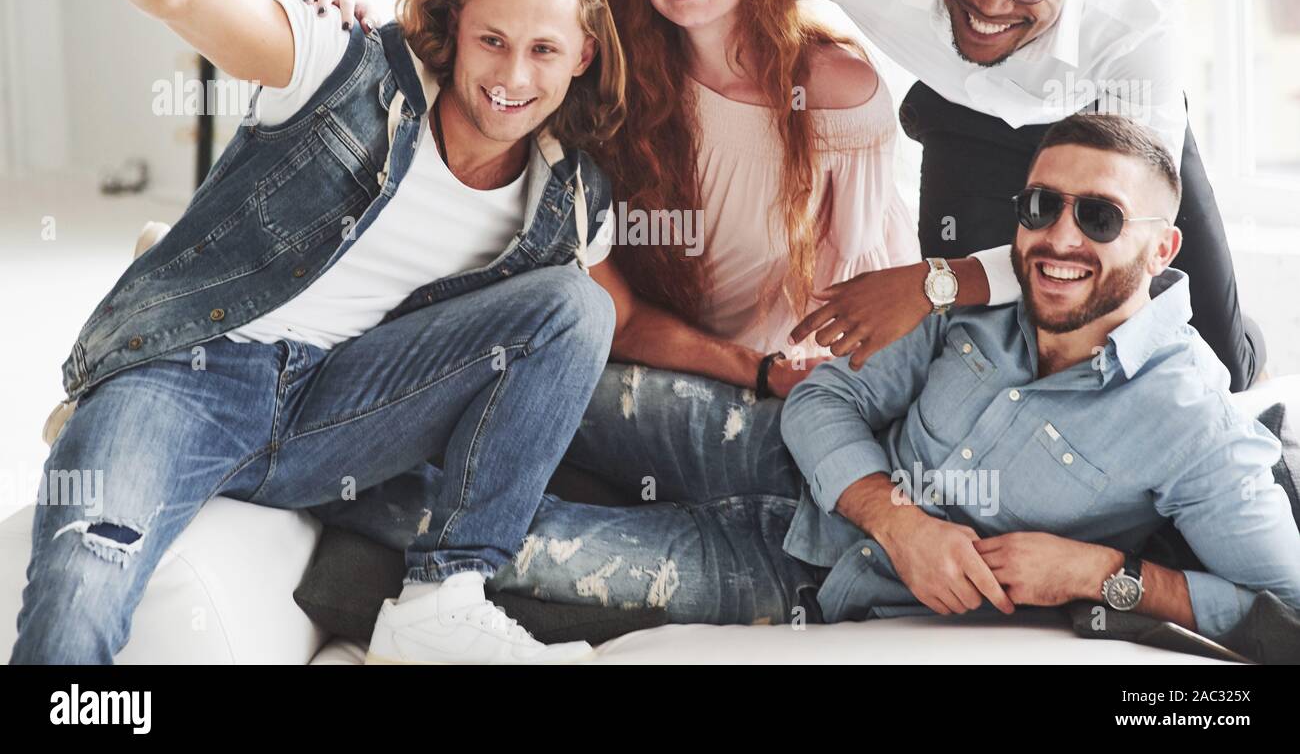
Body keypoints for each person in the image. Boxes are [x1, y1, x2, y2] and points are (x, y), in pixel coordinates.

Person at [13, 0, 625, 665]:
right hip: (192, 377)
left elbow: (574, 341)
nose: (512, 74)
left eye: (544, 49)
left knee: (575, 306)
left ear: (583, 54)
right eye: (493, 40)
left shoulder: (574, 201)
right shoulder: (343, 66)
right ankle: (128, 367)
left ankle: (444, 593)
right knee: (81, 585)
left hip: (342, 412)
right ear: (455, 25)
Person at [484, 114, 1300, 642]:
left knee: (506, 545)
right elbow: (825, 395)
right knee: (539, 388)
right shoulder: (980, 298)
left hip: (804, 573)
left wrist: (1100, 575)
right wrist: (899, 518)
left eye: (1100, 216)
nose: (1058, 237)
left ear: (1162, 250)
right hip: (784, 457)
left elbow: (1286, 611)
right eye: (1041, 204)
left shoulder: (1194, 420)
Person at [310, 0, 918, 521]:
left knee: (790, 472)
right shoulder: (611, 82)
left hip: (766, 383)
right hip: (642, 367)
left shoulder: (836, 91)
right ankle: (401, 519)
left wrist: (817, 393)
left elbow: (871, 284)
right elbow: (480, 61)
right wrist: (340, 33)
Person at [788, 0, 1264, 395]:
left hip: (1108, 132)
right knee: (974, 352)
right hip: (964, 123)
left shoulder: (1138, 17)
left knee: (1218, 366)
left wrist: (930, 282)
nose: (990, 1)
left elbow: (1122, 232)